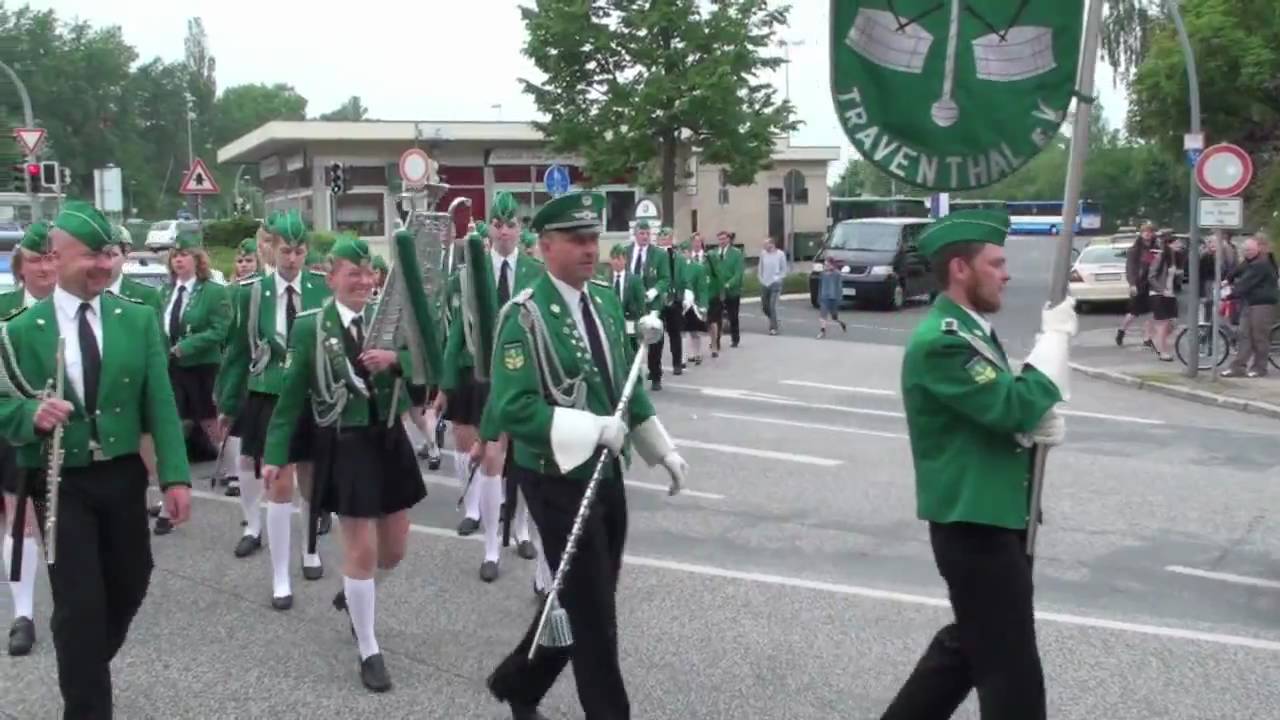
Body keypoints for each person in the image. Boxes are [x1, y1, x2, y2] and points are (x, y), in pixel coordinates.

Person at [483, 191, 689, 720]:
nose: (590, 249)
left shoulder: (603, 301)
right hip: (555, 477)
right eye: (577, 240)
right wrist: (593, 427)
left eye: (593, 238)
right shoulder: (524, 316)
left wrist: (659, 446)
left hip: (605, 474)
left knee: (584, 597)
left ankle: (520, 683)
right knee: (594, 615)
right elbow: (513, 409)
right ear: (545, 247)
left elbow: (625, 384)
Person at [0, 201, 192, 718]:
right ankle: (86, 703)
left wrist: (175, 477)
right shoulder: (20, 329)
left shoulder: (138, 319)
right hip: (59, 480)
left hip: (123, 472)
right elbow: (2, 404)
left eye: (109, 254)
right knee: (80, 603)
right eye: (92, 255)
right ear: (56, 257)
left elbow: (161, 403)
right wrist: (29, 414)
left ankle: (79, 660)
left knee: (132, 580)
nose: (104, 265)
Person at [879, 209, 1073, 720]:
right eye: (997, 263)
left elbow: (992, 416)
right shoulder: (943, 341)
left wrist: (1028, 433)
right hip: (974, 525)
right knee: (1012, 671)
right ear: (961, 269)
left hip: (994, 518)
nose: (1007, 274)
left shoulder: (970, 330)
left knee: (971, 647)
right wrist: (1053, 345)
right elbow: (1011, 405)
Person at [260, 235, 427, 692]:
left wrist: (395, 359)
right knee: (362, 550)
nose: (365, 281)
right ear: (331, 277)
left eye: (370, 273)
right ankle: (368, 648)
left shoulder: (388, 321)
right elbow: (290, 399)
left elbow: (425, 363)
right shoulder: (311, 327)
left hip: (389, 439)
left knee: (394, 549)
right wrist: (275, 456)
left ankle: (356, 595)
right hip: (347, 443)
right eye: (354, 273)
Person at [217, 209, 331, 605]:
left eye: (299, 251)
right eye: (285, 250)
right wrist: (227, 403)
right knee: (278, 482)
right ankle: (281, 576)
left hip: (313, 397)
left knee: (312, 478)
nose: (292, 259)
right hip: (268, 394)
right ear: (271, 248)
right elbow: (237, 352)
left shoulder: (321, 288)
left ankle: (310, 548)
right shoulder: (251, 292)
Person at [440, 192, 540, 581]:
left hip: (526, 377)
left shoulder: (536, 272)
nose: (504, 231)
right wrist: (446, 385)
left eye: (511, 224)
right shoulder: (470, 273)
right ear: (491, 229)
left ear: (520, 228)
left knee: (526, 456)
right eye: (497, 224)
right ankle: (491, 547)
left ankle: (521, 529)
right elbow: (455, 332)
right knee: (491, 457)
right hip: (484, 375)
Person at [0, 221, 56, 658]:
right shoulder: (3, 311)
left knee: (65, 522)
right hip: (15, 428)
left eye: (51, 259)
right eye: (35, 260)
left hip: (68, 433)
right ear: (20, 267)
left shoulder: (76, 308)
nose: (44, 268)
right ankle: (23, 615)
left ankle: (75, 602)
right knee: (19, 517)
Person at [154, 230, 232, 534]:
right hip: (172, 367)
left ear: (197, 259)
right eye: (175, 256)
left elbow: (220, 329)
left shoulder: (212, 291)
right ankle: (167, 501)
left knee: (210, 421)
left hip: (201, 366)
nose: (179, 260)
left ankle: (233, 470)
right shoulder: (165, 292)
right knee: (170, 425)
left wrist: (188, 346)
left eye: (184, 255)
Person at [214, 238, 264, 497]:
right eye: (240, 260)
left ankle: (244, 471)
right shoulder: (232, 290)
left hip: (256, 362)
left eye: (249, 260)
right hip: (235, 358)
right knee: (230, 413)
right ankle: (234, 470)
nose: (244, 265)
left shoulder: (261, 289)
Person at [1222, 235, 1279, 378]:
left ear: (1258, 248)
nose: (1247, 252)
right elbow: (1238, 270)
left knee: (1259, 337)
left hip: (1262, 304)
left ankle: (1259, 368)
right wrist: (1227, 279)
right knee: (1244, 335)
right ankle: (1238, 367)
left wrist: (1228, 294)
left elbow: (1246, 283)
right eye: (1245, 250)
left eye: (1250, 250)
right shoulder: (1250, 261)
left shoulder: (1262, 263)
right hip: (1249, 302)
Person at [625, 220, 670, 389]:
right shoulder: (626, 252)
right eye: (641, 233)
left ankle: (655, 374)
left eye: (647, 234)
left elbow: (665, 278)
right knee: (631, 339)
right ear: (635, 234)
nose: (645, 237)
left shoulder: (659, 254)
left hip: (652, 303)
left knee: (654, 340)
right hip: (632, 305)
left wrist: (654, 291)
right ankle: (632, 375)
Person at [1117, 222, 1156, 348]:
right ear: (1141, 234)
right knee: (1134, 312)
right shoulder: (1135, 250)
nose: (1147, 234)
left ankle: (1147, 338)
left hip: (1153, 284)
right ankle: (1121, 331)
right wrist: (1132, 284)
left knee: (1152, 312)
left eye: (1150, 232)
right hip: (1139, 284)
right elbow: (1130, 268)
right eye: (1145, 232)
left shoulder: (1156, 247)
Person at [654, 226, 687, 376]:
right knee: (657, 335)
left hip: (674, 299)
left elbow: (683, 278)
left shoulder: (678, 257)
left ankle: (677, 363)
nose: (664, 240)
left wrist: (682, 295)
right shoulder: (654, 256)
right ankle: (655, 367)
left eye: (667, 237)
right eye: (661, 237)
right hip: (658, 299)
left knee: (675, 333)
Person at [605, 243, 646, 353]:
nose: (616, 262)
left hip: (630, 322)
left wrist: (641, 325)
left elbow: (641, 304)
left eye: (619, 258)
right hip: (611, 324)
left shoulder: (634, 280)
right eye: (613, 258)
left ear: (625, 260)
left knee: (632, 352)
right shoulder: (605, 279)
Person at [709, 230, 744, 350]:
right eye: (720, 239)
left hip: (732, 290)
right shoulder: (714, 253)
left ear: (728, 239)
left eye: (724, 239)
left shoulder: (736, 253)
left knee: (733, 315)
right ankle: (716, 341)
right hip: (717, 290)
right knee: (716, 317)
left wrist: (729, 284)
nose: (722, 241)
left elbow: (738, 273)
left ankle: (735, 338)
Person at [680, 238, 711, 364]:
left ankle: (697, 354)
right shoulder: (677, 268)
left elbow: (702, 289)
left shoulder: (698, 268)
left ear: (690, 252)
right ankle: (682, 358)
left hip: (693, 304)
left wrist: (703, 305)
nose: (683, 254)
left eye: (685, 252)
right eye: (681, 252)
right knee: (681, 331)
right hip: (681, 303)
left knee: (694, 330)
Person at [757, 237, 788, 335]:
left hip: (775, 284)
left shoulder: (780, 254)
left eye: (765, 245)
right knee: (765, 306)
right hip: (765, 283)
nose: (764, 247)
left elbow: (784, 269)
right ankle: (774, 319)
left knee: (772, 306)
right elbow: (760, 267)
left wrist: (779, 278)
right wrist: (761, 278)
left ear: (772, 244)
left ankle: (773, 328)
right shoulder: (763, 254)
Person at [817, 256, 847, 338]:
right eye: (825, 265)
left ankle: (842, 323)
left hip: (833, 298)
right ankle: (822, 331)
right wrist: (819, 296)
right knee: (822, 316)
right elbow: (820, 286)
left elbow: (839, 287)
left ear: (832, 265)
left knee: (834, 317)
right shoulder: (822, 274)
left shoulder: (837, 274)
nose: (826, 266)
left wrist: (839, 298)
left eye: (827, 265)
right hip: (824, 297)